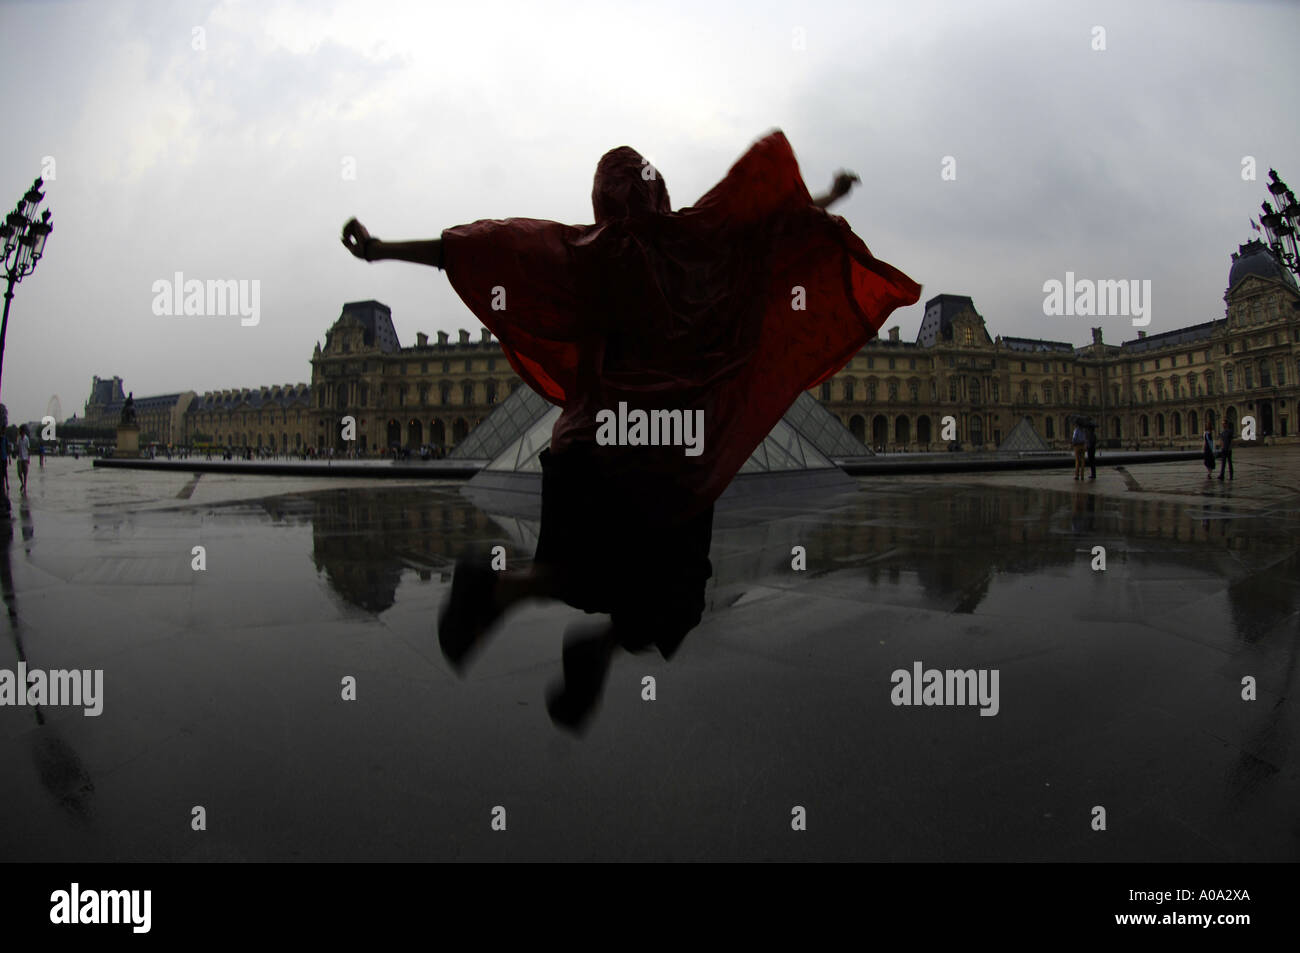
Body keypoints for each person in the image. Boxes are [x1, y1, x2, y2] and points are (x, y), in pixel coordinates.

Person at [343, 130, 921, 729]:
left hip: (590, 446)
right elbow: (766, 222)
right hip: (672, 456)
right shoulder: (695, 242)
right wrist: (826, 195)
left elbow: (483, 248)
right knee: (674, 600)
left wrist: (381, 248)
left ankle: (499, 596)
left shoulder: (582, 250)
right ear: (658, 193)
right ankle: (593, 645)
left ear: (602, 198)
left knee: (569, 573)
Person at [17, 425, 30, 495]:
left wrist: (28, 458)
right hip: (19, 458)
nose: (21, 433)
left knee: (25, 474)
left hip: (25, 458)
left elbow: (28, 449)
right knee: (19, 473)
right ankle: (22, 483)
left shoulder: (26, 439)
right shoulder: (18, 439)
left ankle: (24, 486)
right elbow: (17, 447)